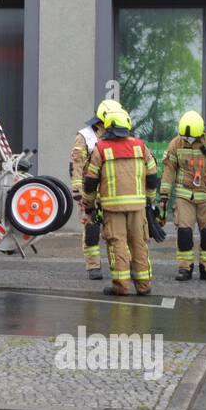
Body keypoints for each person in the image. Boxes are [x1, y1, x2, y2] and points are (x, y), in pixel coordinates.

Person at [81, 106, 159, 296]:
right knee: (139, 243)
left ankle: (121, 286)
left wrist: (89, 205)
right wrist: (150, 200)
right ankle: (143, 285)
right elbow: (152, 175)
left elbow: (90, 182)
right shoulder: (140, 146)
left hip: (112, 207)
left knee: (118, 244)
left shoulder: (101, 148)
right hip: (138, 206)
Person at [157, 110, 206, 282]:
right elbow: (169, 171)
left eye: (191, 138)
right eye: (185, 137)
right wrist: (164, 197)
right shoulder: (176, 144)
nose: (187, 140)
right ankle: (185, 268)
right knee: (184, 233)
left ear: (201, 133)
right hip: (185, 197)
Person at [69, 102, 115, 280]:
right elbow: (77, 166)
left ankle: (117, 264)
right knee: (92, 231)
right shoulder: (85, 136)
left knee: (114, 232)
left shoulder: (117, 135)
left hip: (112, 192)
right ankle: (93, 266)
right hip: (91, 193)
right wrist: (78, 191)